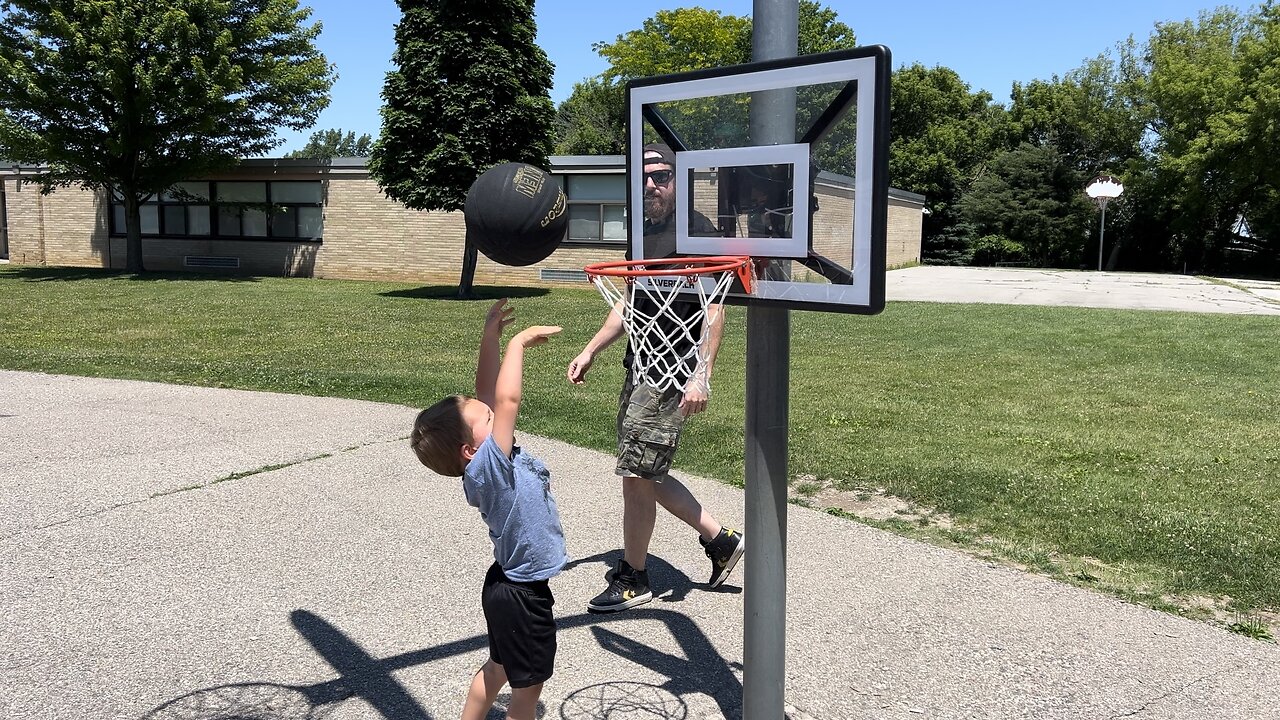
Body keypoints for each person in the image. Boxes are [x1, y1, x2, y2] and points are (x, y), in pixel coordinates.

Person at [567, 143, 744, 613]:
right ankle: (720, 539)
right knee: (644, 469)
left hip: (670, 371)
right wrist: (589, 351)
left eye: (662, 176)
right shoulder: (642, 236)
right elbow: (629, 304)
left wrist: (701, 376)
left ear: (678, 183)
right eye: (644, 177)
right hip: (641, 363)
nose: (651, 185)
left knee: (635, 477)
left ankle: (634, 577)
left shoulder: (697, 232)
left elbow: (714, 308)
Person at [411, 299, 566, 720]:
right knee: (527, 691)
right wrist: (517, 343)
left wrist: (490, 335)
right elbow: (508, 398)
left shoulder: (482, 461)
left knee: (498, 668)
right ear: (470, 449)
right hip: (521, 596)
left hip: (504, 587)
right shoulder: (490, 466)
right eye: (482, 415)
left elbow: (488, 392)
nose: (489, 408)